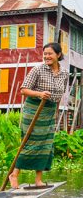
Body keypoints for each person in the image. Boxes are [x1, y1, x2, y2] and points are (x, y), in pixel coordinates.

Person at [8, 42, 69, 189]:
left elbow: (59, 95)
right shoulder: (38, 69)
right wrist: (39, 94)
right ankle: (14, 174)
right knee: (29, 141)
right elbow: (24, 90)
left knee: (45, 144)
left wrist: (55, 110)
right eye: (45, 54)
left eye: (50, 54)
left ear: (58, 55)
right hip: (34, 108)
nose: (47, 56)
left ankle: (38, 179)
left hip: (49, 111)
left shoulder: (65, 73)